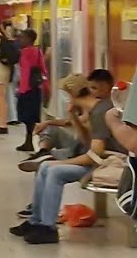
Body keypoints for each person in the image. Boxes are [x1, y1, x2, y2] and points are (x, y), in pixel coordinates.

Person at [10, 73, 124, 244]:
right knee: (45, 167)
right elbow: (87, 142)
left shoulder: (101, 112)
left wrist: (63, 162)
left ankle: (48, 227)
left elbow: (94, 155)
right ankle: (37, 221)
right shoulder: (96, 109)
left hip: (107, 164)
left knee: (54, 171)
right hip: (100, 161)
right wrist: (73, 118)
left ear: (72, 94)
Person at [14, 28, 47, 151]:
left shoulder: (25, 52)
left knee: (26, 116)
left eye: (22, 38)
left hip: (26, 88)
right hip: (36, 87)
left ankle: (29, 141)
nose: (20, 40)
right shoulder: (38, 51)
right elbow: (43, 69)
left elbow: (25, 72)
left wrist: (21, 89)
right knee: (32, 116)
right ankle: (29, 140)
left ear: (28, 39)